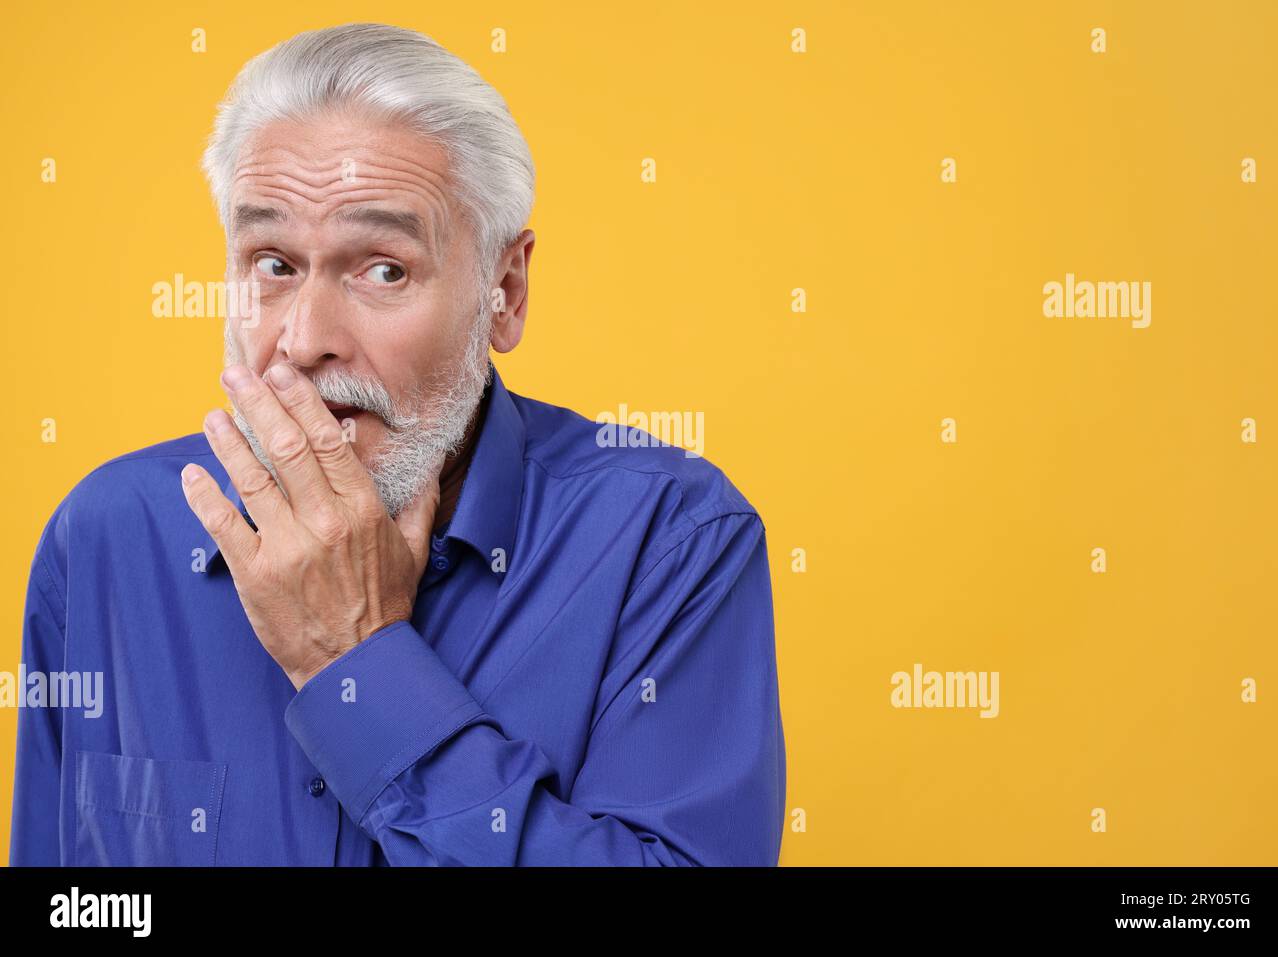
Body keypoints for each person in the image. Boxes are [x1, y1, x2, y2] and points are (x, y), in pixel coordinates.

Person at [9, 22, 785, 866]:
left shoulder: (670, 541)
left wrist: (357, 660)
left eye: (383, 270)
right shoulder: (108, 536)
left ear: (506, 291)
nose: (304, 341)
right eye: (271, 262)